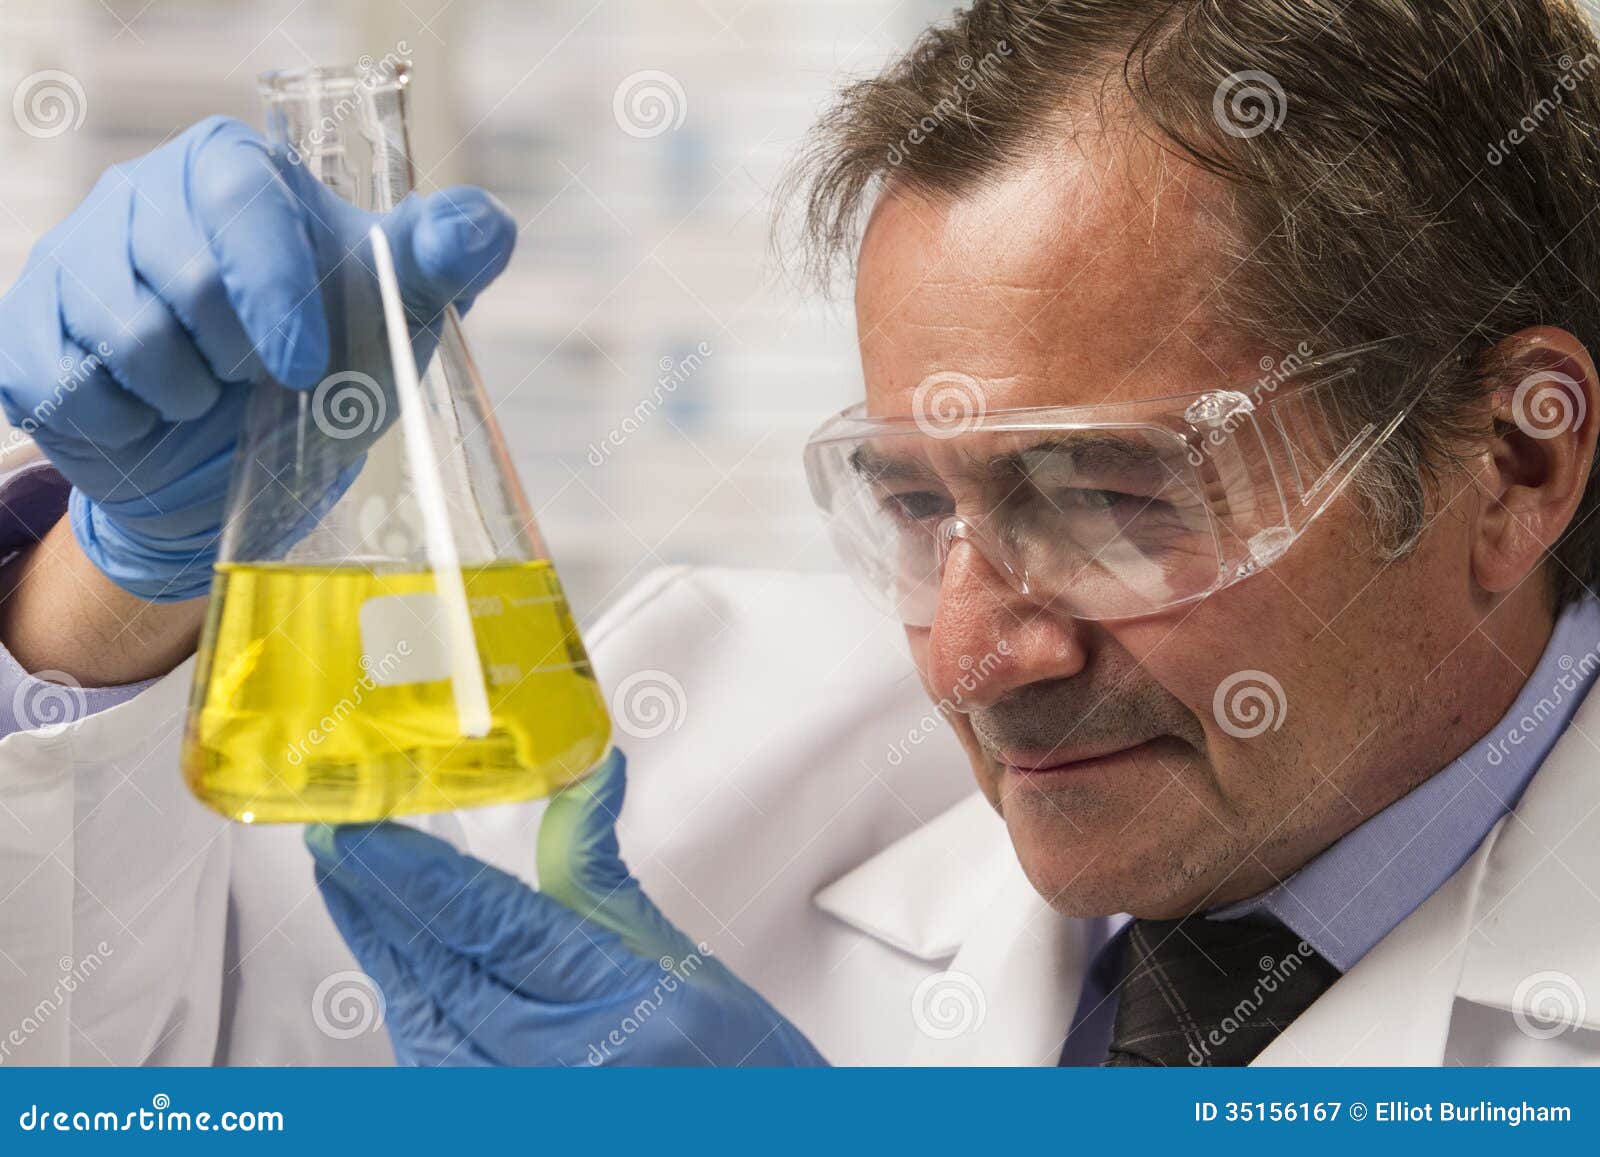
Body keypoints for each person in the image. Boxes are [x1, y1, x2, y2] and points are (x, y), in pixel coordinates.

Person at [3, 0, 1600, 1066]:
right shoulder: (699, 729)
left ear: (1517, 468)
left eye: (1112, 496)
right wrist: (110, 588)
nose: (971, 656)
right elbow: (116, 1052)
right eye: (914, 500)